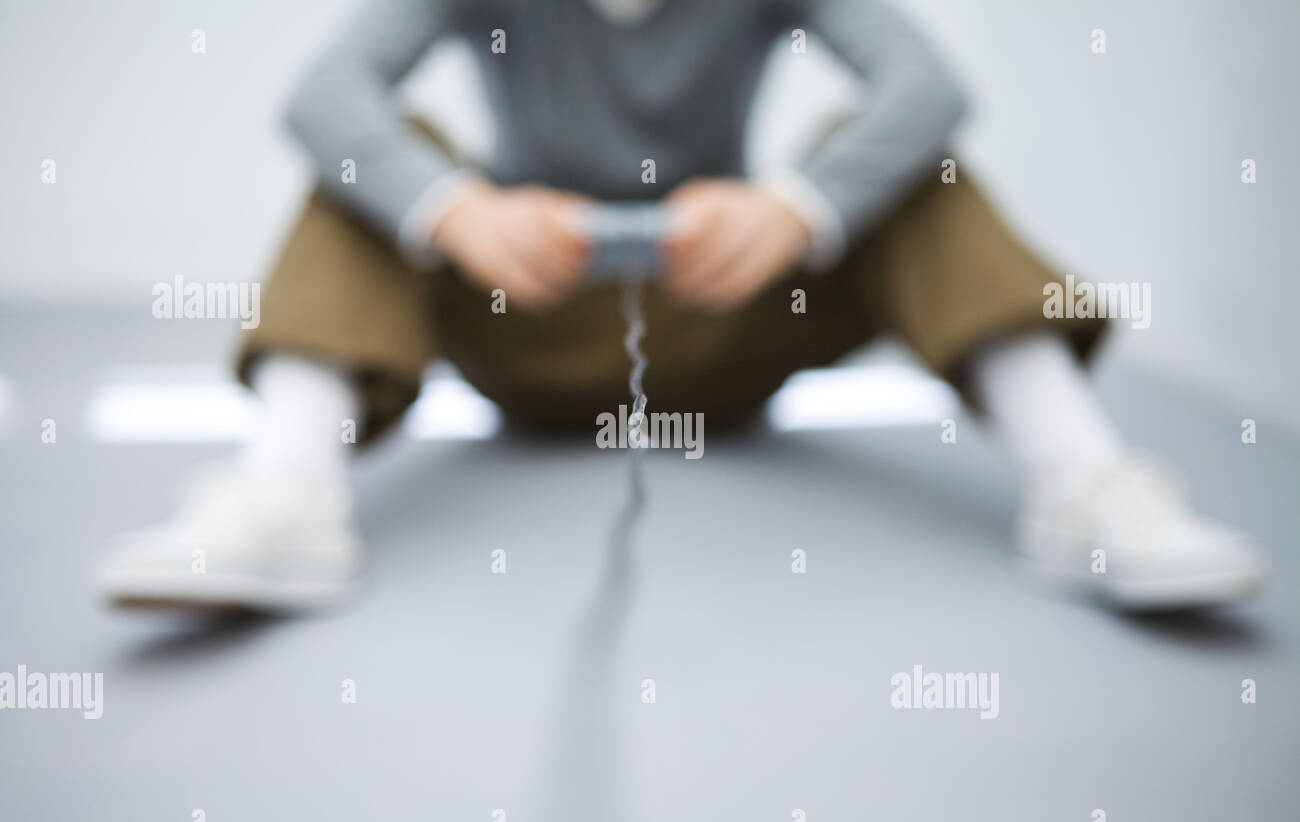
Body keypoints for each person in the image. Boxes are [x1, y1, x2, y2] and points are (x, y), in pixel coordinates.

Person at [96, 0, 1264, 612]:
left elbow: (927, 86)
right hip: (530, 330)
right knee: (378, 164)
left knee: (915, 166)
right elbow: (325, 95)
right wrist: (458, 213)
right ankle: (285, 500)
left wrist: (796, 209)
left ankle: (1083, 487)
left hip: (724, 326)